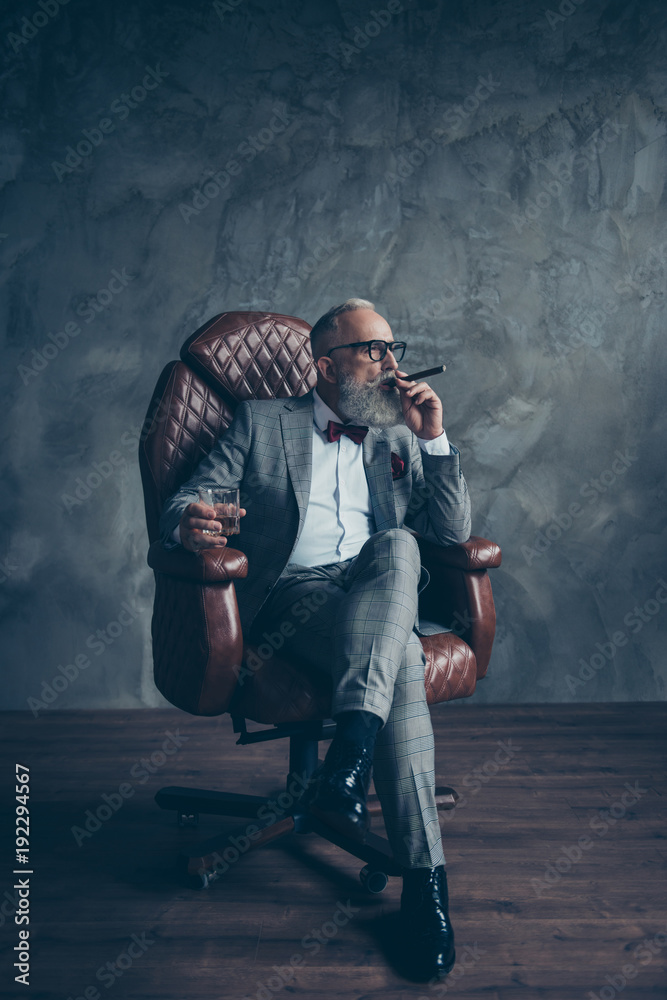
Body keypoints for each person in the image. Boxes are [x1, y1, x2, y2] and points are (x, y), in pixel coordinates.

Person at [158, 298, 471, 981]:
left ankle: (349, 758)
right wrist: (189, 522)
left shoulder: (397, 434)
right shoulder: (261, 421)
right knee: (401, 660)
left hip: (376, 590)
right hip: (294, 600)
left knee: (399, 545)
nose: (390, 363)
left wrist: (434, 440)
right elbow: (188, 498)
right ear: (327, 366)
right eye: (373, 350)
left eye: (393, 348)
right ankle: (426, 889)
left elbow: (450, 534)